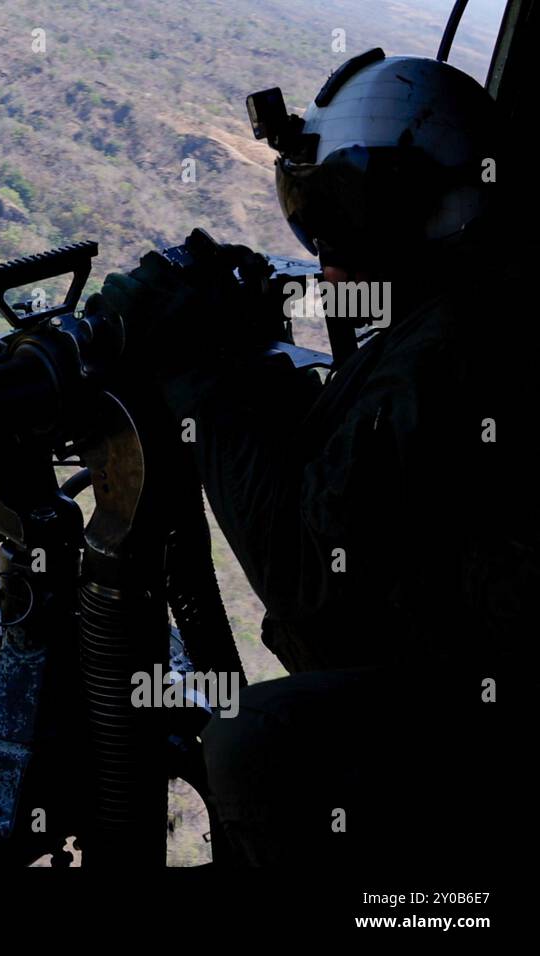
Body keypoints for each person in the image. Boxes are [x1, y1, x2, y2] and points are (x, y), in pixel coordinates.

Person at [94, 50, 530, 865]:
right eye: (312, 210)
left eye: (344, 210)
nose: (324, 245)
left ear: (417, 206)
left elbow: (310, 582)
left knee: (261, 744)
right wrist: (247, 355)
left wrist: (203, 370)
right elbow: (363, 470)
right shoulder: (467, 308)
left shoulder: (450, 350)